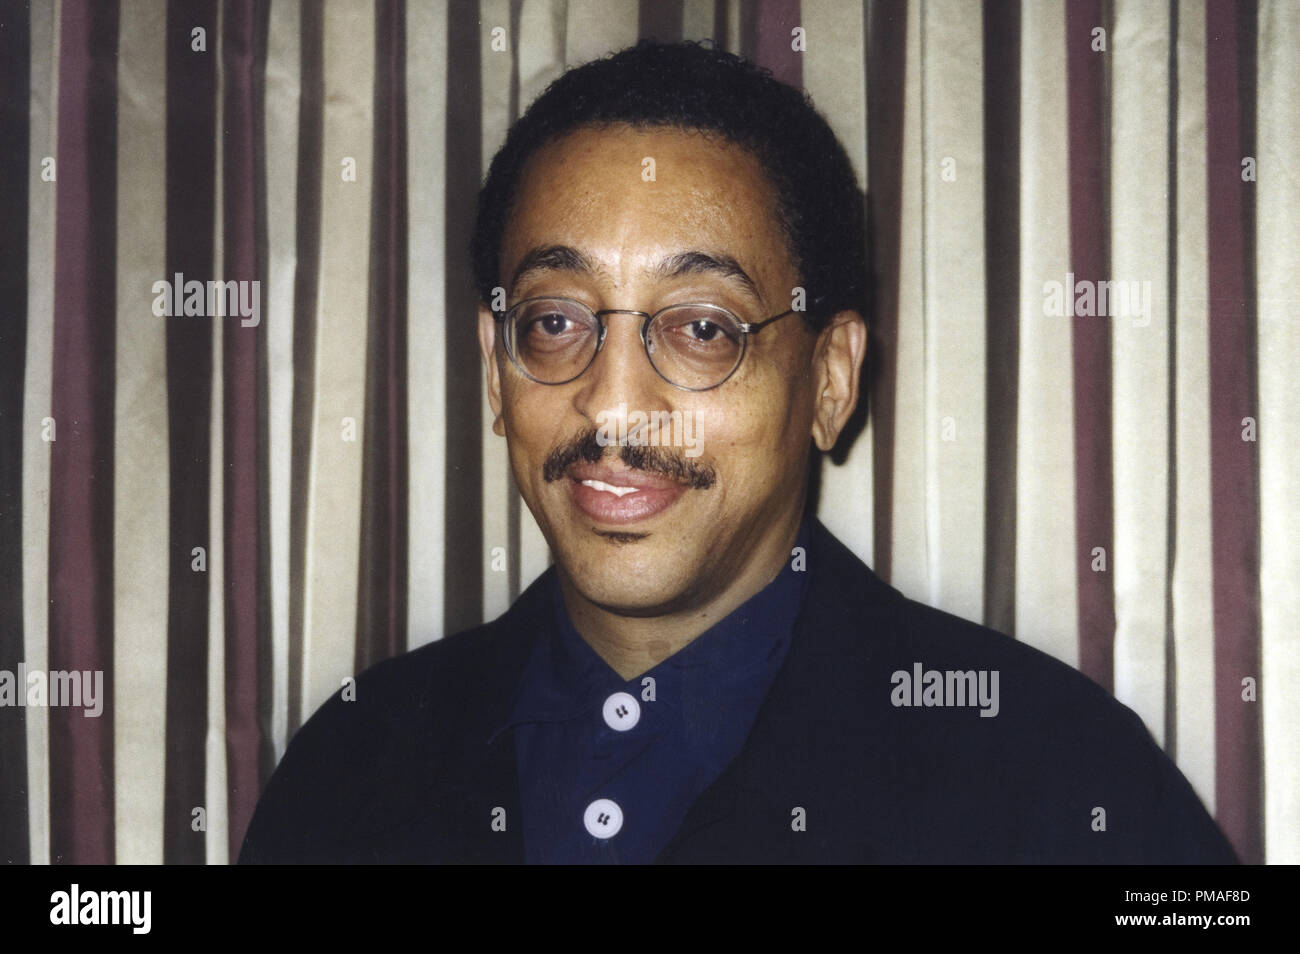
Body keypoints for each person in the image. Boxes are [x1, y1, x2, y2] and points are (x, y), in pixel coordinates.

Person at [240, 40, 1236, 864]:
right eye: (553, 321)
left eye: (703, 329)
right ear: (495, 371)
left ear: (831, 380)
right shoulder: (356, 766)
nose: (616, 405)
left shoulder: (1054, 778)